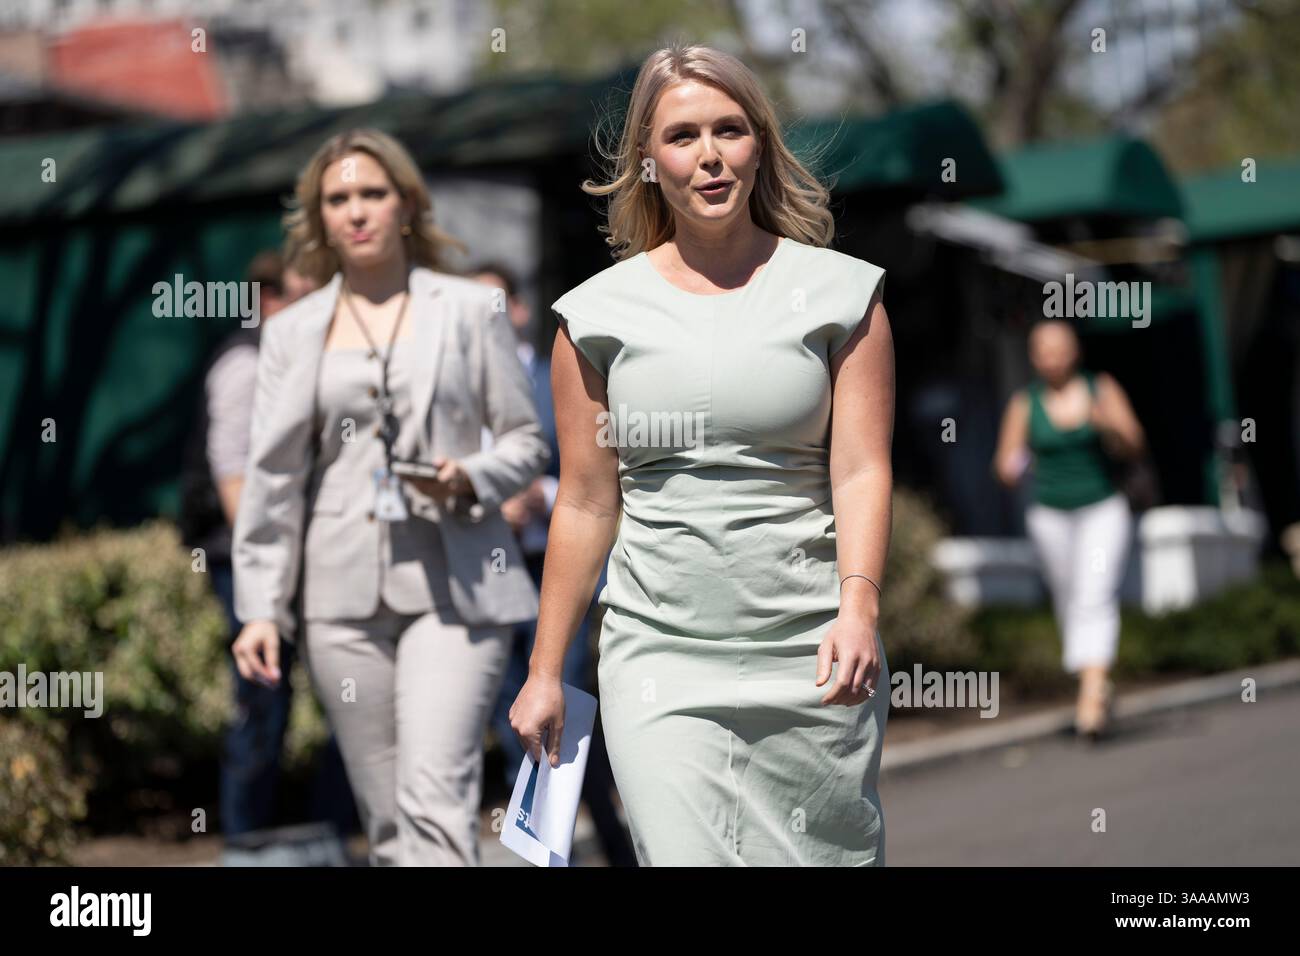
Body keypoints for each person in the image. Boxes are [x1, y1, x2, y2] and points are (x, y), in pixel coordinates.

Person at [509, 43, 894, 866]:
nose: (710, 155)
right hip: (661, 660)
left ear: (760, 143)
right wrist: (546, 672)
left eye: (730, 129)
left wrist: (857, 610)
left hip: (814, 652)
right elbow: (583, 504)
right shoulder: (594, 316)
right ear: (649, 160)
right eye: (683, 136)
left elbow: (861, 471)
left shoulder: (842, 294)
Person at [230, 128, 550, 866]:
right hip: (339, 604)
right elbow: (273, 477)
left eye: (372, 193)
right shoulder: (293, 331)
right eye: (337, 199)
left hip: (458, 586)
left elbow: (527, 442)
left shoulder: (471, 309)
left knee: (435, 805)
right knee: (387, 828)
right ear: (320, 219)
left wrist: (470, 476)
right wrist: (259, 608)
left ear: (406, 203)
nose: (356, 211)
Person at [179, 251, 359, 844]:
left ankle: (328, 837)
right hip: (246, 559)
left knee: (346, 694)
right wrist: (268, 570)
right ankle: (244, 841)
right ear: (267, 301)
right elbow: (233, 478)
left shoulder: (315, 359)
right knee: (261, 701)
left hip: (311, 553)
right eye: (300, 296)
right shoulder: (242, 363)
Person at [470, 262, 636, 867]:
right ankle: (564, 853)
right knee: (514, 720)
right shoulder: (459, 389)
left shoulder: (553, 376)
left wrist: (535, 496)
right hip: (486, 576)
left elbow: (591, 476)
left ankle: (597, 848)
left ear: (517, 309)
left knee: (558, 710)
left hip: (553, 569)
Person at [993, 318, 1147, 741]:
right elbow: (1005, 466)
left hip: (1102, 508)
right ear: (1033, 357)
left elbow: (1136, 442)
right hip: (1050, 515)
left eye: (1058, 349)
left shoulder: (1102, 388)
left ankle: (1091, 695)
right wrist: (1017, 463)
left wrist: (1107, 425)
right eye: (1042, 351)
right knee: (1068, 598)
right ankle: (1095, 679)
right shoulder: (1025, 403)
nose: (1051, 358)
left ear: (1074, 351)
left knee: (1094, 592)